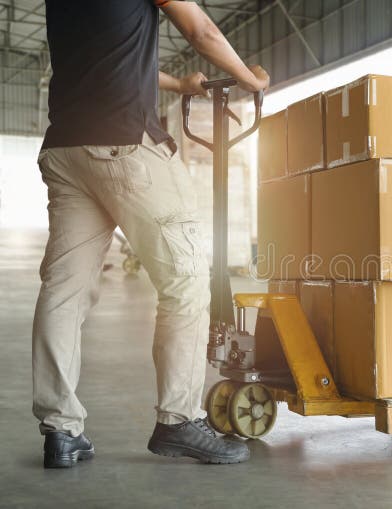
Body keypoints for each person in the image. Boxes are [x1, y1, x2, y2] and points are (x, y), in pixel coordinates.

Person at [33, 0, 269, 468]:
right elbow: (200, 30)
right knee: (185, 281)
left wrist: (179, 84)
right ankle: (178, 420)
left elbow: (100, 59)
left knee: (64, 294)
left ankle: (60, 430)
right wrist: (251, 78)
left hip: (66, 149)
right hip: (123, 142)